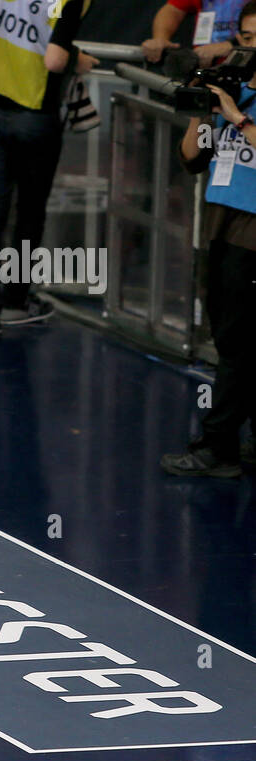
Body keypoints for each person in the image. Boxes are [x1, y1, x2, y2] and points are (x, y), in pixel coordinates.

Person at [0, 0, 98, 340]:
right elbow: (56, 59)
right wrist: (80, 59)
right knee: (30, 211)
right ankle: (15, 299)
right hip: (36, 117)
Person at [161, 1, 256, 477]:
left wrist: (236, 116)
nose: (251, 47)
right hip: (220, 222)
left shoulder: (240, 104)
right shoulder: (231, 89)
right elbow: (190, 159)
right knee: (230, 338)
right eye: (245, 37)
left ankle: (217, 447)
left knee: (238, 346)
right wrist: (202, 111)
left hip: (252, 233)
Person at [143, 0, 247, 66]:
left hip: (246, 66)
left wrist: (232, 45)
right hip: (203, 66)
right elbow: (173, 10)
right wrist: (161, 38)